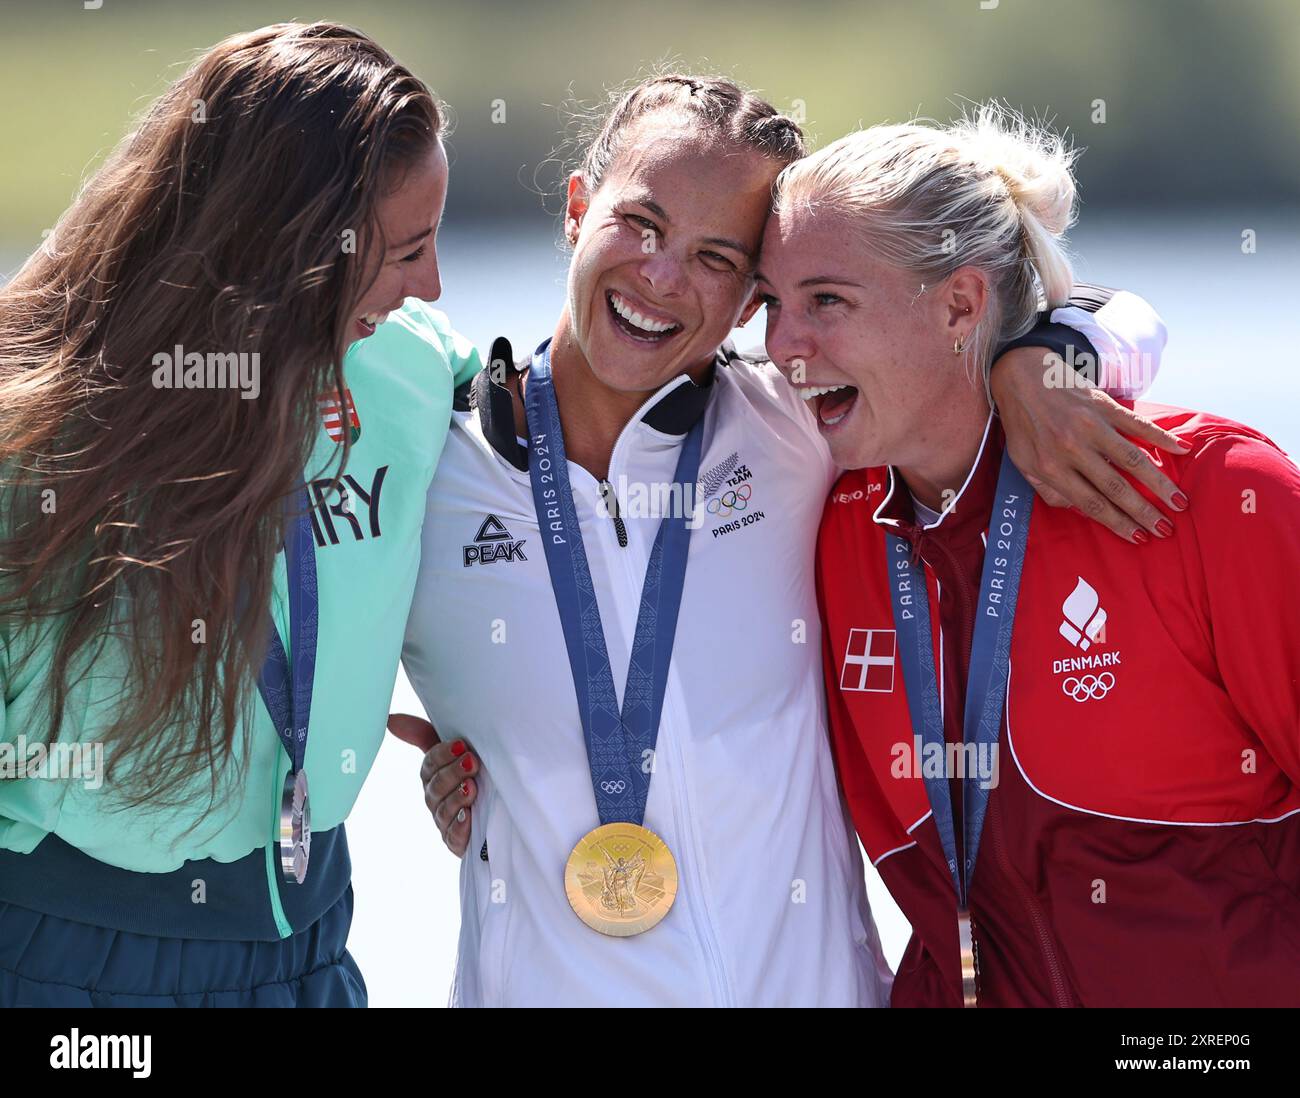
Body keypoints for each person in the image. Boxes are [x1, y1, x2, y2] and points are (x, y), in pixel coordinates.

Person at [392, 76, 1175, 1006]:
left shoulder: (798, 426)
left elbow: (1130, 316)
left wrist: (1040, 359)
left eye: (718, 258)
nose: (662, 276)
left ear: (754, 296)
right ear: (576, 207)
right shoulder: (423, 472)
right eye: (641, 223)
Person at [759, 104, 1300, 1006]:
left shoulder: (1206, 494)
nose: (782, 346)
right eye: (771, 304)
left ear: (960, 305)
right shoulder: (817, 512)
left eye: (826, 302)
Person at [0, 22, 478, 1006]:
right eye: (406, 252)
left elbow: (557, 460)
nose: (431, 286)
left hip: (310, 941)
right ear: (287, 249)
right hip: (70, 961)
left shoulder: (413, 361)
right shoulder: (39, 431)